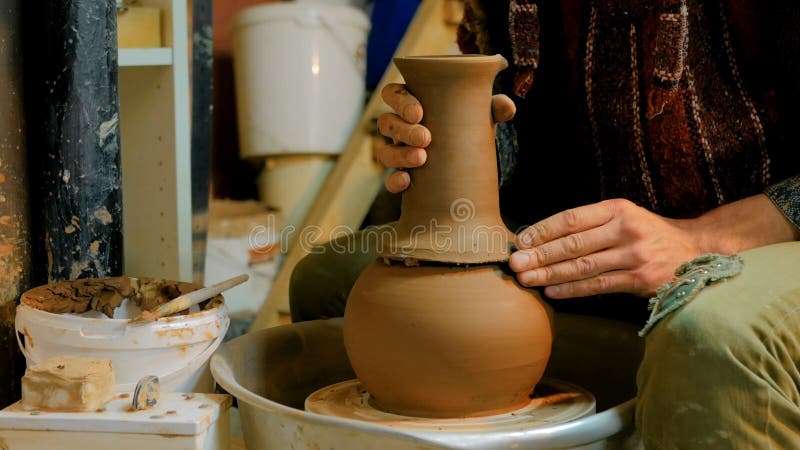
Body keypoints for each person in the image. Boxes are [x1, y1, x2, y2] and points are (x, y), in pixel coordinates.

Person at [290, 1, 800, 447]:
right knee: (332, 282)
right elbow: (520, 115)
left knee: (708, 335)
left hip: (768, 233)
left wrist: (705, 238)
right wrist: (453, 138)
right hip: (584, 227)